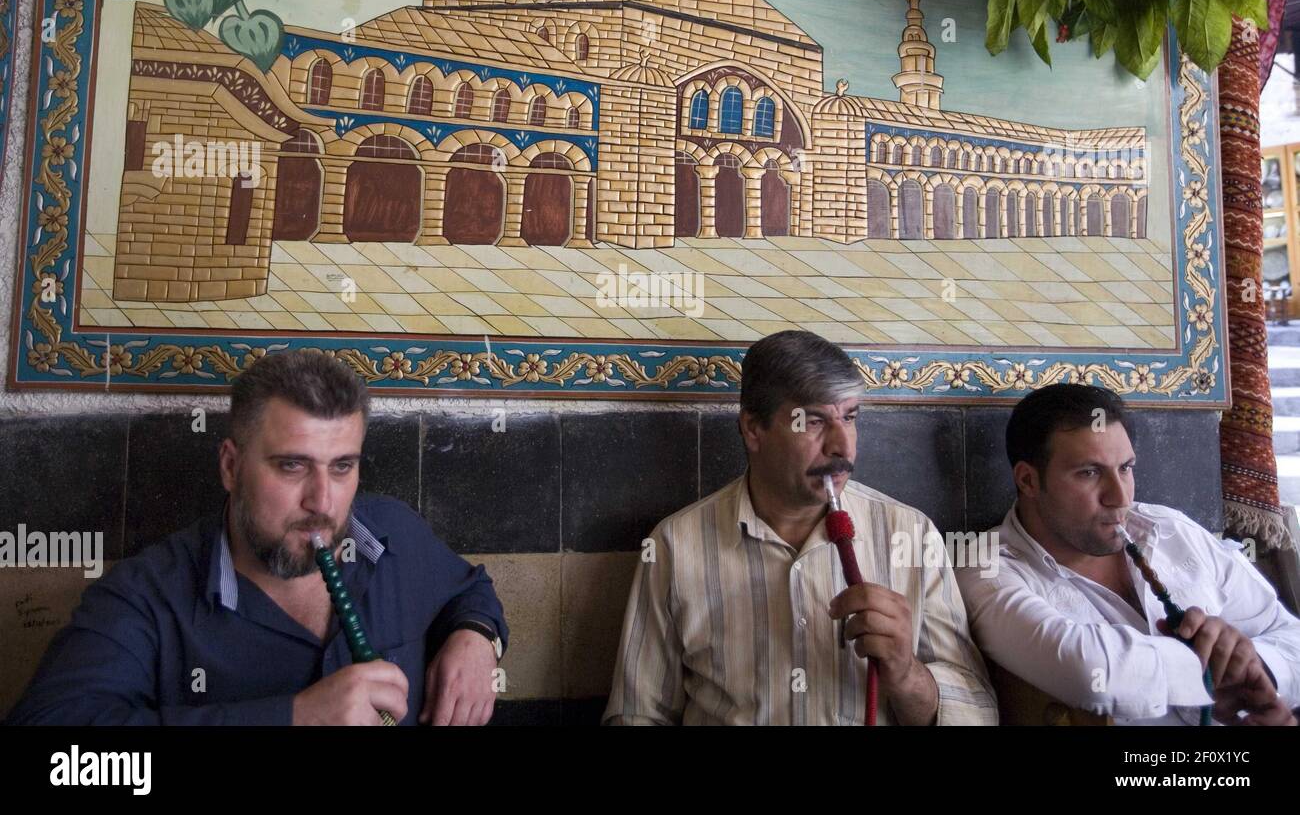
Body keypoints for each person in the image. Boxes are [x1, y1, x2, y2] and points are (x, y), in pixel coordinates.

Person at [7, 350, 506, 725]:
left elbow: (469, 590)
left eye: (342, 467)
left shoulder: (391, 533)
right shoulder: (147, 597)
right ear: (230, 465)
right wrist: (292, 718)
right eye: (292, 466)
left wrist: (476, 637)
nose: (323, 501)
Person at [603, 330, 997, 725]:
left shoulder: (911, 535)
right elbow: (637, 713)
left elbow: (979, 714)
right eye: (814, 421)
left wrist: (905, 671)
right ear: (753, 429)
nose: (843, 446)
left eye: (850, 417)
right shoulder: (674, 545)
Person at [955, 383, 1300, 726]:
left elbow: (1288, 634)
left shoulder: (1170, 530)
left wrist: (1257, 667)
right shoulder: (986, 568)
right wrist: (1212, 668)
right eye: (1089, 473)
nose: (1119, 497)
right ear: (1029, 481)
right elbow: (1092, 671)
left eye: (1125, 468)